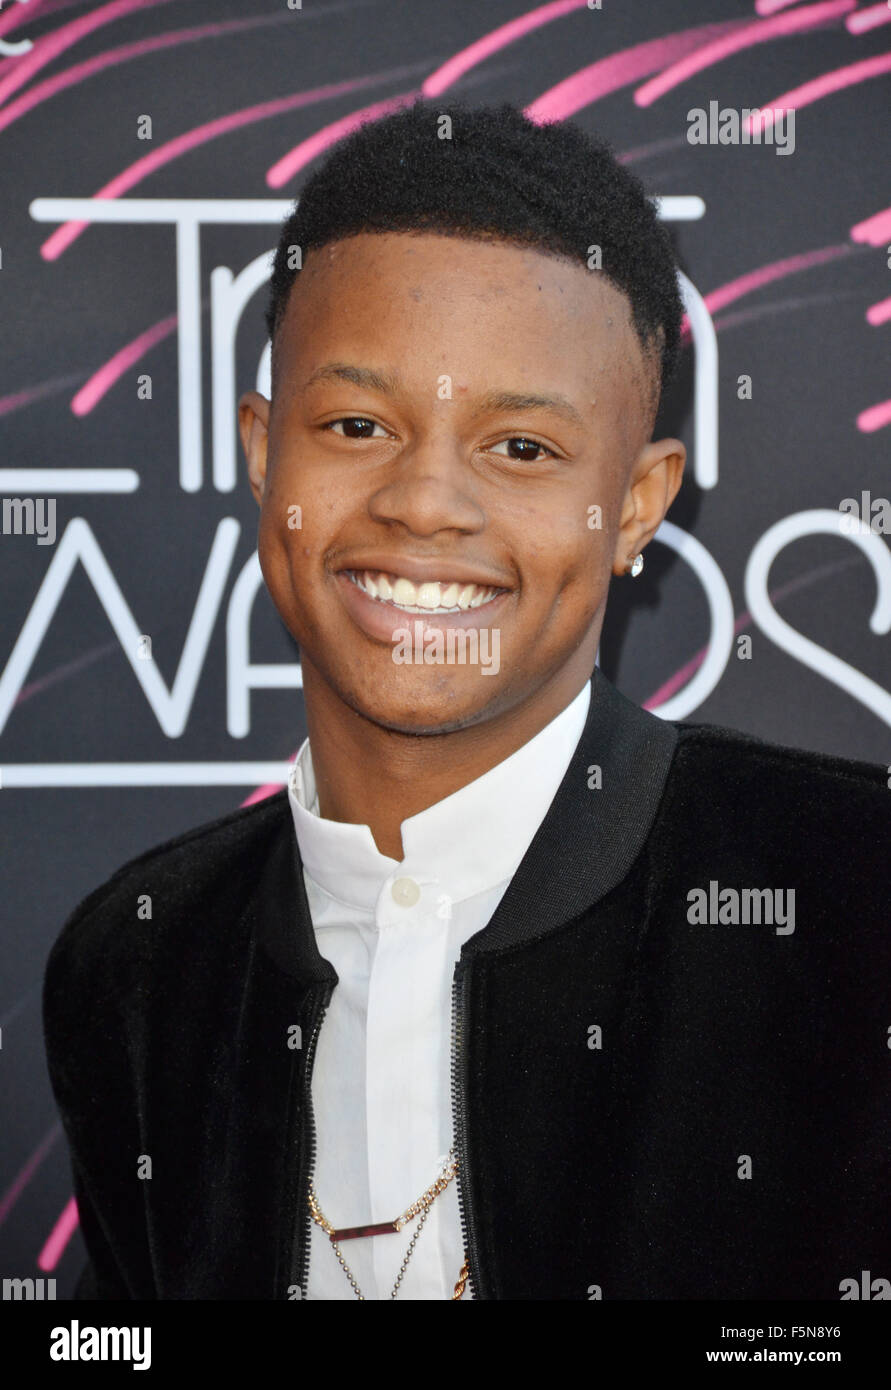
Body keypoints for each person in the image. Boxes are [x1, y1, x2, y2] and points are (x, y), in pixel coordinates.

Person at [43, 101, 890, 1301]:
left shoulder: (855, 901)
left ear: (639, 504)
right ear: (262, 450)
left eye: (523, 449)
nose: (426, 501)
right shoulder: (136, 966)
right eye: (355, 425)